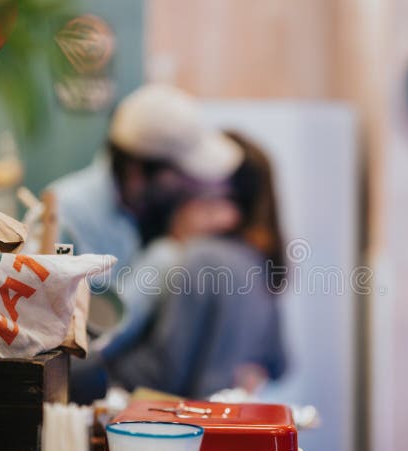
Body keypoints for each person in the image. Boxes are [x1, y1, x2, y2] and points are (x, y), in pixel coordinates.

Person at [50, 84, 243, 402]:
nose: (188, 189)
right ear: (137, 172)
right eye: (180, 177)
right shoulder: (64, 214)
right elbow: (79, 341)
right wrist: (169, 251)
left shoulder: (144, 209)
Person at [103, 131, 287, 398]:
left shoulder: (198, 258)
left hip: (177, 416)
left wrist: (99, 373)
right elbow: (278, 362)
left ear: (220, 202)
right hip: (222, 416)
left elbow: (165, 369)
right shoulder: (256, 260)